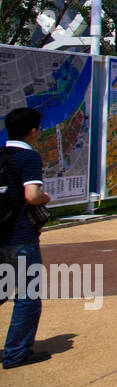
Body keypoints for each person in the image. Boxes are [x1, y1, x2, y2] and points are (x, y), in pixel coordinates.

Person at [1, 107, 52, 368]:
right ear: (33, 131)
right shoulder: (28, 158)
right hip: (21, 235)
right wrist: (46, 198)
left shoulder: (1, 155)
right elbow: (32, 195)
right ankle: (15, 353)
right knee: (28, 295)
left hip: (1, 236)